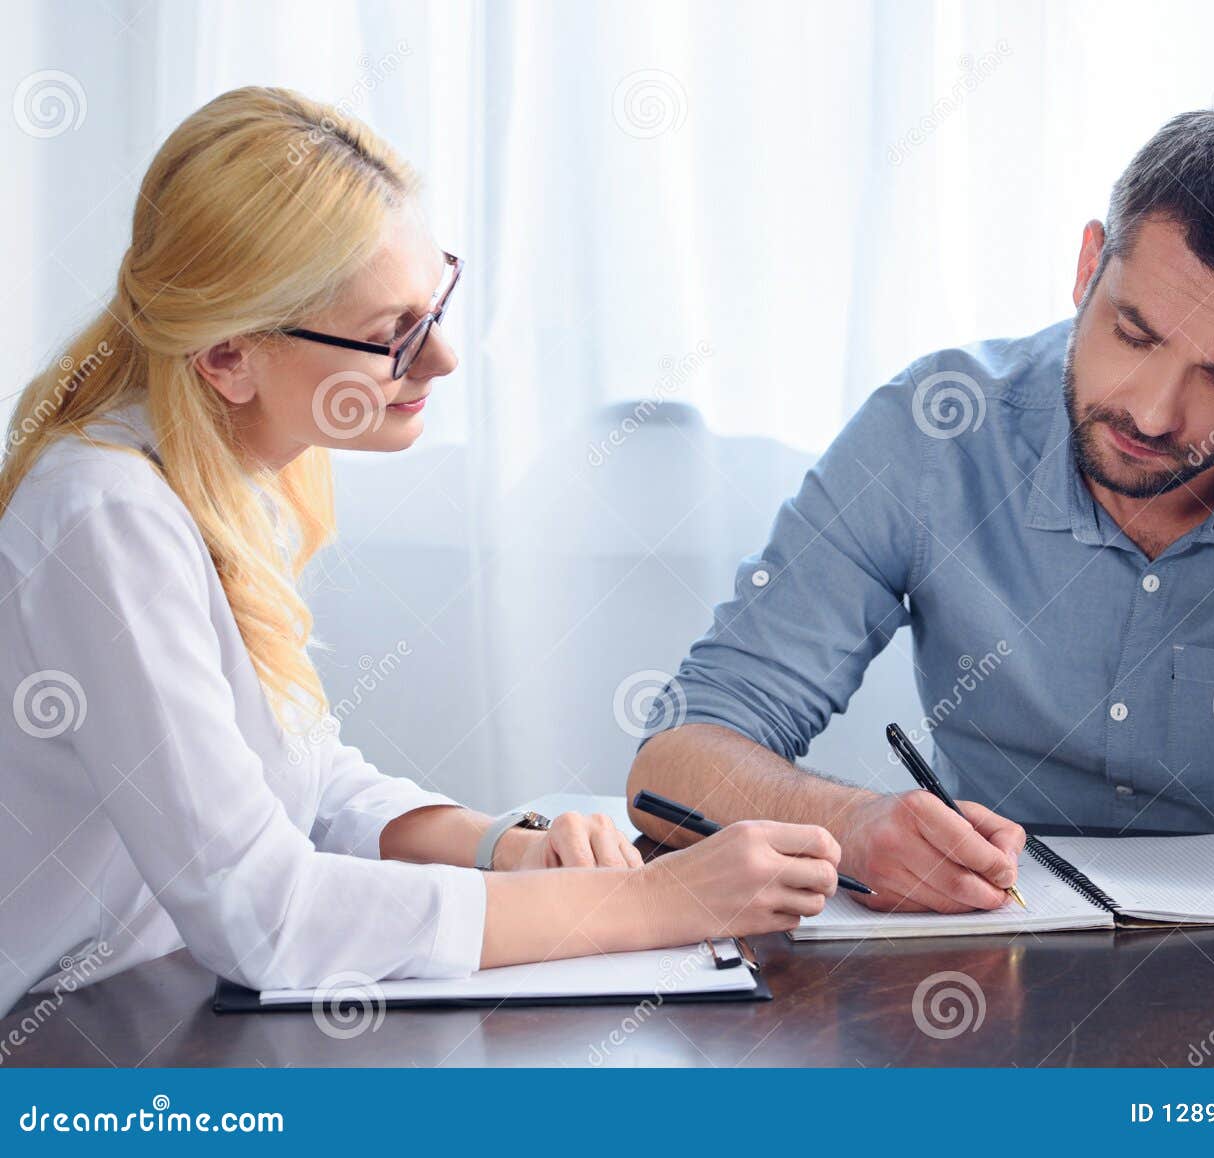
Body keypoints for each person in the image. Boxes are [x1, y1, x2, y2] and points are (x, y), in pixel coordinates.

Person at [0, 87, 839, 1017]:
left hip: (146, 1005)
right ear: (227, 356)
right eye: (389, 337)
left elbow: (304, 784)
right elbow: (263, 913)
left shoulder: (226, 471)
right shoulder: (104, 514)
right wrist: (650, 901)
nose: (439, 358)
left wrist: (508, 846)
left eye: (432, 302)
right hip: (57, 1043)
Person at [627, 109, 1214, 911]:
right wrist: (855, 824)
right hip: (990, 977)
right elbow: (674, 762)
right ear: (1089, 265)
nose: (1150, 410)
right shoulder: (936, 430)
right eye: (1133, 334)